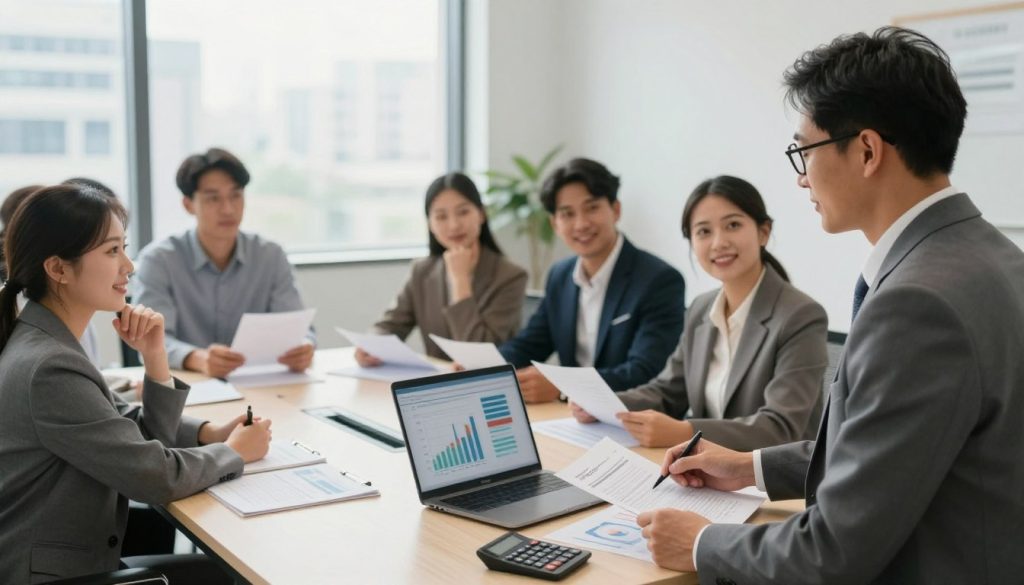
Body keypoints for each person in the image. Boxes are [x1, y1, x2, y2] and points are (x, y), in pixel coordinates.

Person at [637, 27, 1024, 584]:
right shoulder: (992, 256)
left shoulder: (917, 304)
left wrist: (701, 543)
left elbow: (832, 554)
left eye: (804, 151)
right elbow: (894, 447)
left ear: (867, 150)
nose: (801, 178)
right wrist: (751, 466)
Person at [0, 183, 272, 582]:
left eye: (124, 248)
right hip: (52, 577)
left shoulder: (45, 341)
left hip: (61, 563)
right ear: (58, 269)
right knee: (230, 575)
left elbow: (127, 429)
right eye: (112, 251)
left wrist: (156, 359)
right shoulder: (49, 367)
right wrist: (234, 453)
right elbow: (154, 476)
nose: (129, 266)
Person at [571, 176, 827, 449]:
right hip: (707, 474)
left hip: (774, 483)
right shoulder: (701, 309)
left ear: (763, 232)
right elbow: (668, 391)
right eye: (704, 232)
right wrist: (604, 405)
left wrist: (686, 431)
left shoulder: (801, 316)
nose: (718, 243)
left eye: (733, 225)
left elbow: (780, 428)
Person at [499, 158, 686, 402]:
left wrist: (562, 386)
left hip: (631, 419)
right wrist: (484, 370)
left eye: (592, 208)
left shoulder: (659, 280)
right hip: (573, 419)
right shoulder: (560, 275)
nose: (581, 224)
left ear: (615, 210)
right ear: (554, 223)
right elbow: (529, 345)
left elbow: (645, 372)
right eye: (567, 214)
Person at [132, 147, 315, 378]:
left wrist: (304, 347)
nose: (228, 209)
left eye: (236, 195)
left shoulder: (270, 255)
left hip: (261, 384)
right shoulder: (159, 260)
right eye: (213, 198)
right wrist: (197, 358)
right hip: (189, 388)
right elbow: (151, 341)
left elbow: (298, 327)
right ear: (188, 205)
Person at [357, 172, 527, 363]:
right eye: (441, 216)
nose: (453, 225)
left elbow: (477, 353)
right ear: (430, 223)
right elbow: (389, 325)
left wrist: (460, 280)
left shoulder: (511, 276)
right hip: (436, 384)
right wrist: (372, 345)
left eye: (463, 212)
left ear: (481, 214)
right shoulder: (422, 271)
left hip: (485, 385)